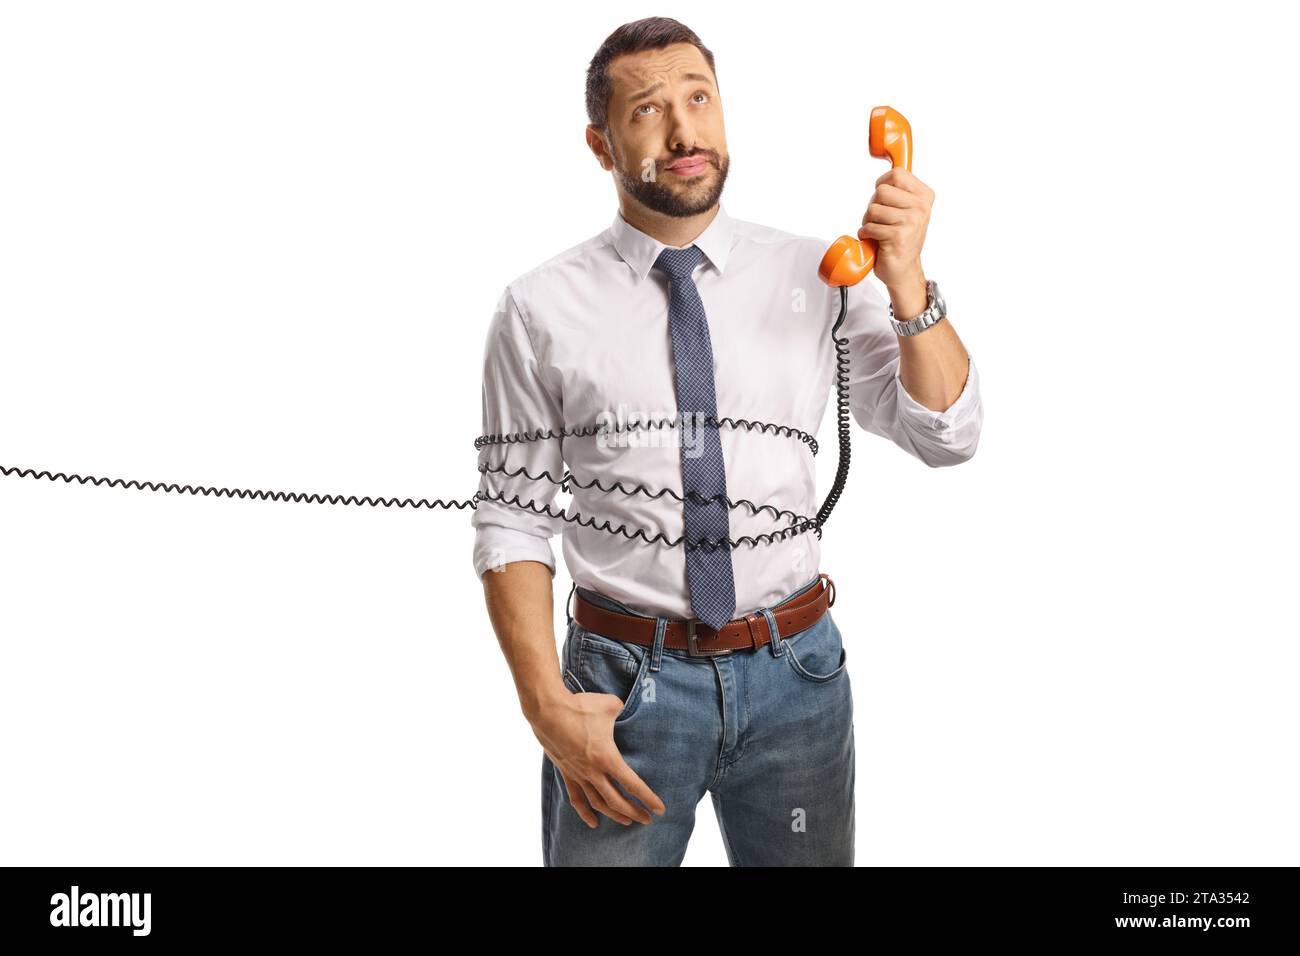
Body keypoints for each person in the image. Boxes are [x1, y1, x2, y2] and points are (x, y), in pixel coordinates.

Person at [472, 16, 983, 866]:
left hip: (797, 678)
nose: (683, 133)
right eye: (648, 111)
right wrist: (545, 707)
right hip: (622, 686)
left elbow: (947, 433)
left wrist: (906, 282)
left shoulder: (819, 275)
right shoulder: (537, 310)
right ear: (601, 145)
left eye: (699, 100)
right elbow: (510, 521)